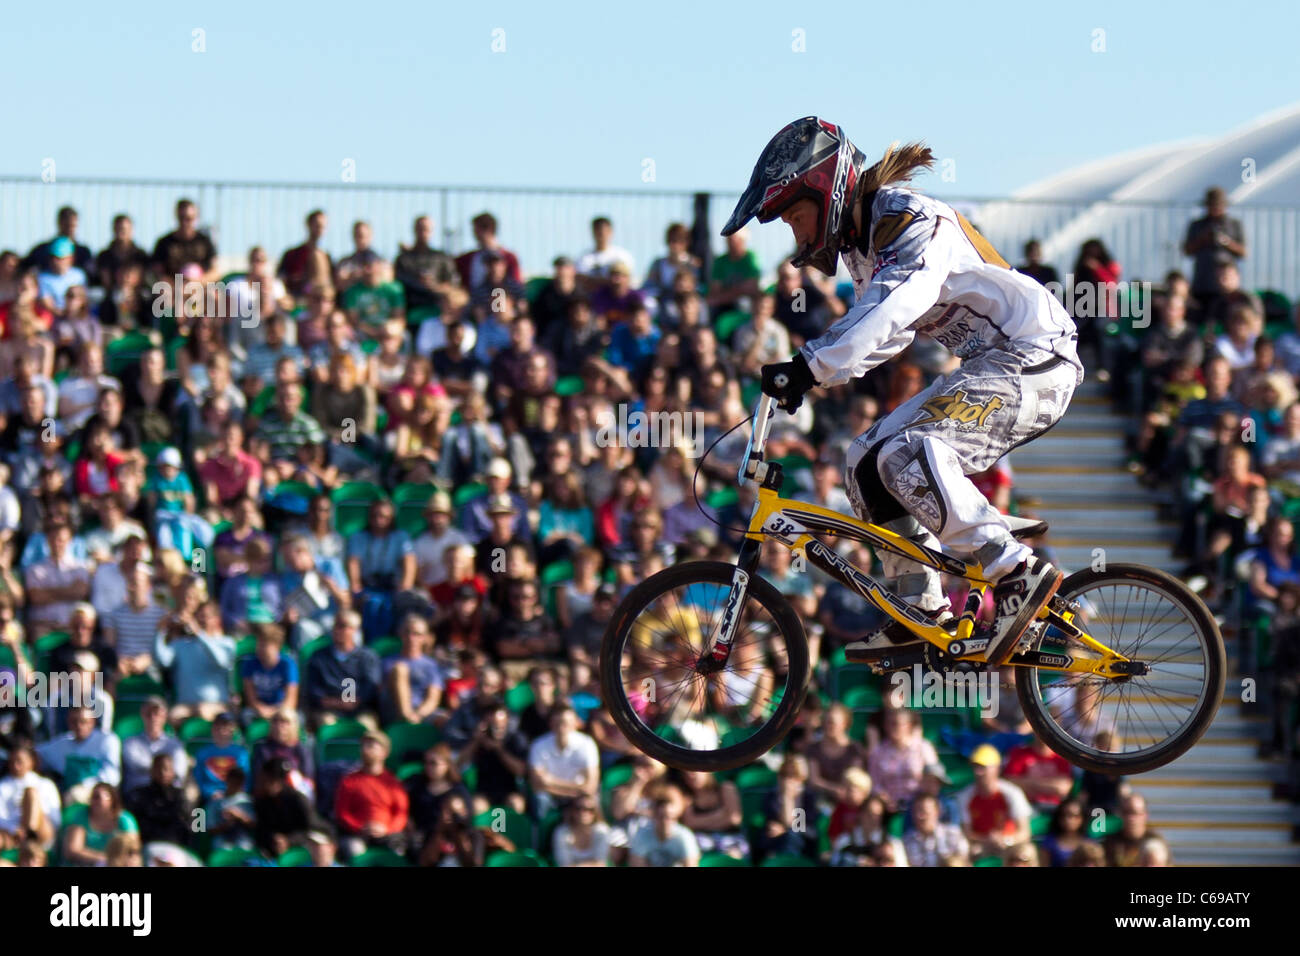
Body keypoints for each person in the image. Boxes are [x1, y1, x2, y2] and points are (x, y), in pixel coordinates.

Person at [728, 117, 1081, 666]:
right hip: (996, 363)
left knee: (908, 454)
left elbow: (895, 306)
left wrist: (809, 365)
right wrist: (814, 375)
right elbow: (888, 334)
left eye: (795, 217)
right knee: (865, 459)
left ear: (826, 192)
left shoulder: (909, 219)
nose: (796, 236)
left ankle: (1016, 570)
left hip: (1036, 356)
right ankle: (920, 609)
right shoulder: (864, 245)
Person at [333, 730, 409, 859]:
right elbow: (342, 813)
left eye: (371, 746)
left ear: (384, 753)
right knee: (354, 850)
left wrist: (387, 829)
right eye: (363, 746)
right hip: (358, 834)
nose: (365, 750)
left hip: (388, 834)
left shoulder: (393, 783)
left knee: (396, 852)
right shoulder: (349, 781)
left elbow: (401, 813)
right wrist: (360, 827)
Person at [0, 744, 61, 852]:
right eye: (12, 762)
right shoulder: (3, 786)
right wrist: (14, 829)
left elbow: (55, 819)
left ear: (31, 761)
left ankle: (29, 839)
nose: (15, 766)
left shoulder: (45, 784)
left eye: (19, 761)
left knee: (30, 793)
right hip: (12, 834)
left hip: (42, 832)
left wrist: (29, 819)